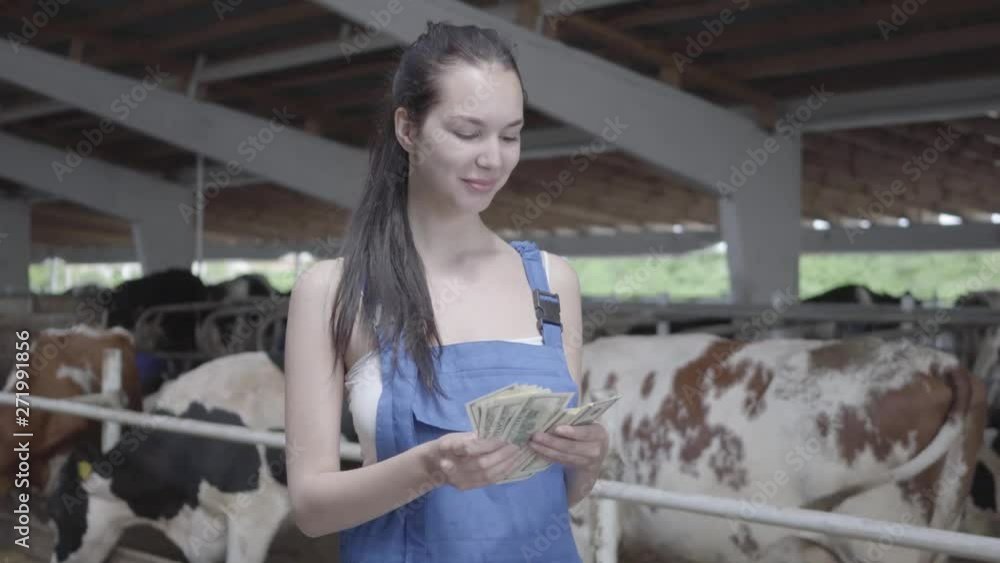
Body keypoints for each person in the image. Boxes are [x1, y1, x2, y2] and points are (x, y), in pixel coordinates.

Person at [283, 21, 609, 562]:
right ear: (408, 129)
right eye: (467, 132)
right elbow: (312, 510)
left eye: (510, 135)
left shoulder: (552, 283)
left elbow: (554, 493)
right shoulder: (333, 291)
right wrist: (429, 468)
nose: (493, 158)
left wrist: (589, 460)